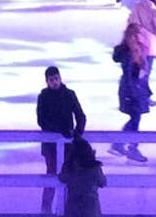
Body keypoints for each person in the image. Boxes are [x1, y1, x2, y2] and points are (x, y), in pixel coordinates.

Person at [36, 66, 88, 215]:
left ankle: (67, 208)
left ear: (60, 78)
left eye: (56, 78)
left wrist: (78, 132)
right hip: (50, 145)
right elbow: (41, 120)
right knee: (51, 175)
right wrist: (60, 130)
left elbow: (80, 115)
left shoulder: (69, 95)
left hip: (68, 146)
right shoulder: (43, 97)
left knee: (68, 176)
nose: (54, 82)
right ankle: (46, 209)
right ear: (47, 81)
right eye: (51, 80)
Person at [112, 21, 152, 163]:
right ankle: (129, 147)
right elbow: (131, 76)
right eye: (138, 34)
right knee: (135, 118)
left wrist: (147, 94)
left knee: (135, 119)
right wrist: (135, 93)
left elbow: (142, 76)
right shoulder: (130, 54)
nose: (141, 36)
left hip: (135, 91)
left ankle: (121, 144)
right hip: (130, 92)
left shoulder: (137, 51)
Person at [57, 134, 107, 217]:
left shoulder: (70, 167)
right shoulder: (95, 168)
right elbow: (103, 183)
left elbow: (62, 178)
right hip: (91, 207)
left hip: (73, 205)